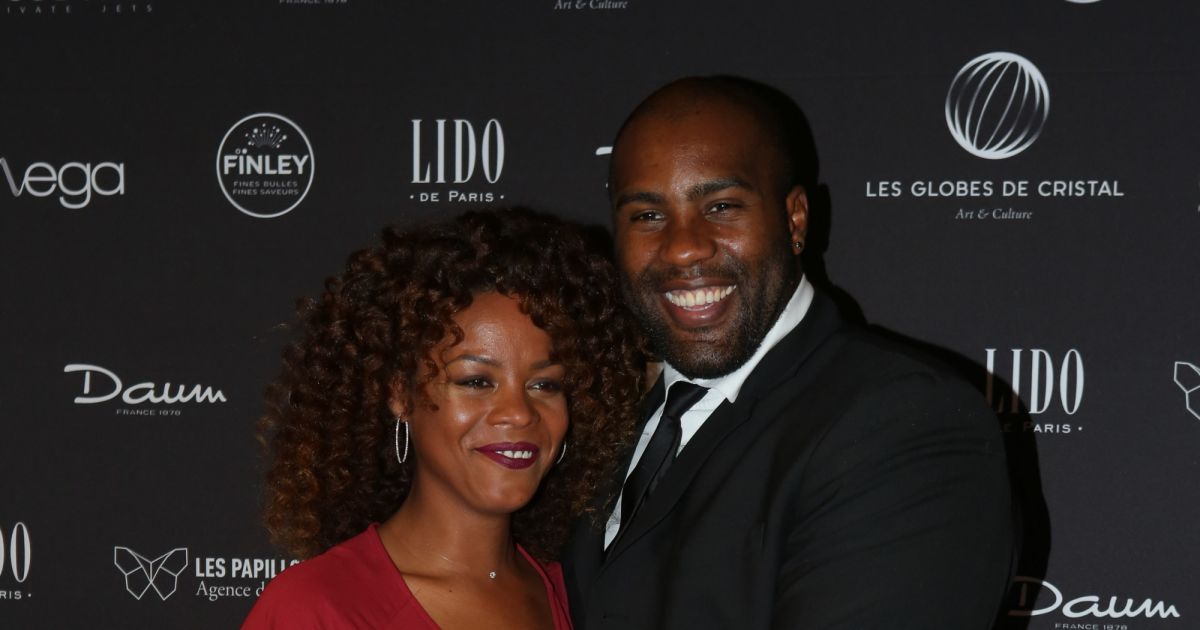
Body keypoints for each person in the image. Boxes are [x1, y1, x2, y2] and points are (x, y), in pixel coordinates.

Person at [563, 77, 1015, 629]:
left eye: (722, 206)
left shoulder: (904, 422)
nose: (683, 246)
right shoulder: (597, 416)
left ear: (795, 219)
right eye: (647, 215)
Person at [244, 208, 645, 629]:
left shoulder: (573, 593)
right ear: (400, 394)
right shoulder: (316, 609)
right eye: (475, 381)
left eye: (546, 385)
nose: (518, 413)